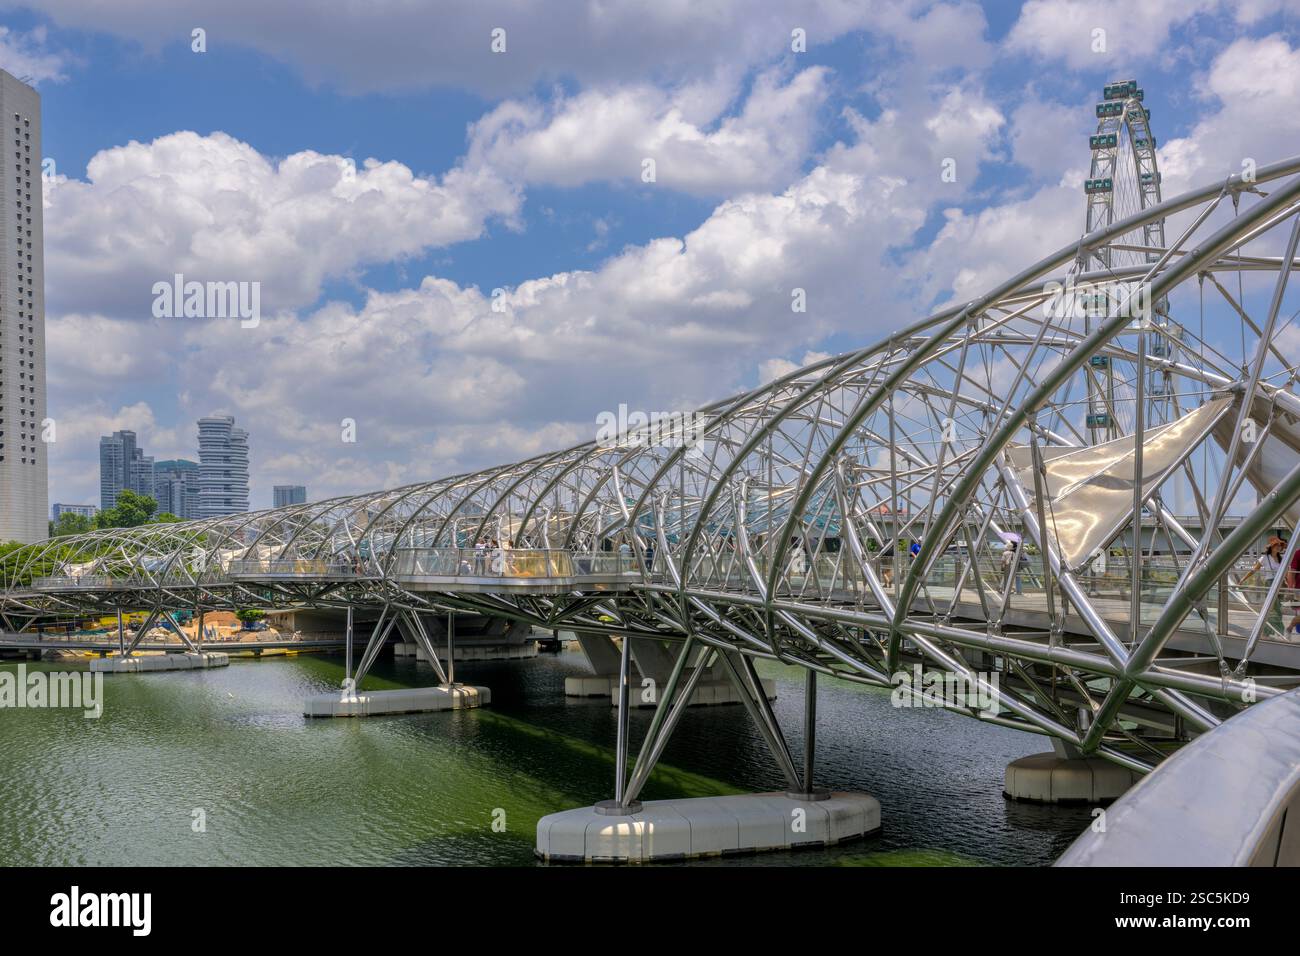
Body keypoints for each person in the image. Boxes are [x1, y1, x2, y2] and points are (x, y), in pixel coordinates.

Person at [1243, 536, 1287, 634]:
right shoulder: (1265, 558)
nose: (1279, 547)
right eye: (1277, 545)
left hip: (1280, 584)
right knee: (1274, 608)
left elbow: (1285, 572)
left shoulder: (1281, 558)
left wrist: (1288, 583)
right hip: (1270, 584)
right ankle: (1278, 631)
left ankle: (1269, 632)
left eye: (1280, 545)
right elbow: (1254, 570)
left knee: (1277, 607)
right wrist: (1242, 580)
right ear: (1272, 546)